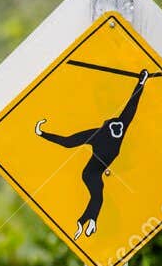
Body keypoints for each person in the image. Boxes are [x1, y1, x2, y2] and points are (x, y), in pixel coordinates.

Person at [34, 68, 151, 238]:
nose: (117, 128)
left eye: (117, 126)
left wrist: (141, 82)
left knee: (98, 198)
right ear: (106, 126)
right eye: (113, 126)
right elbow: (68, 142)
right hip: (89, 174)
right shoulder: (97, 134)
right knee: (98, 197)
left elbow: (131, 104)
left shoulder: (122, 124)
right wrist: (42, 134)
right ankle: (88, 221)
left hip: (97, 174)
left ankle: (86, 221)